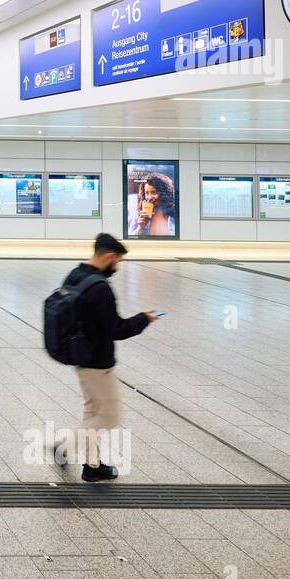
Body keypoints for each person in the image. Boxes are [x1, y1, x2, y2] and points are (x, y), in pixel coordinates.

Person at [52, 233, 158, 482]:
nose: (117, 267)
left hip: (79, 356)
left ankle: (93, 465)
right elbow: (115, 330)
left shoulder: (76, 276)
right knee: (109, 417)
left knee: (92, 412)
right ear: (109, 257)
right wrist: (144, 318)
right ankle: (63, 446)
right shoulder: (100, 289)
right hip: (98, 362)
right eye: (118, 261)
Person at [127, 172, 177, 237]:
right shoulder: (139, 216)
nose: (149, 197)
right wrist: (140, 228)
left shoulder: (175, 215)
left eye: (154, 192)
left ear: (164, 193)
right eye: (147, 193)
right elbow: (129, 240)